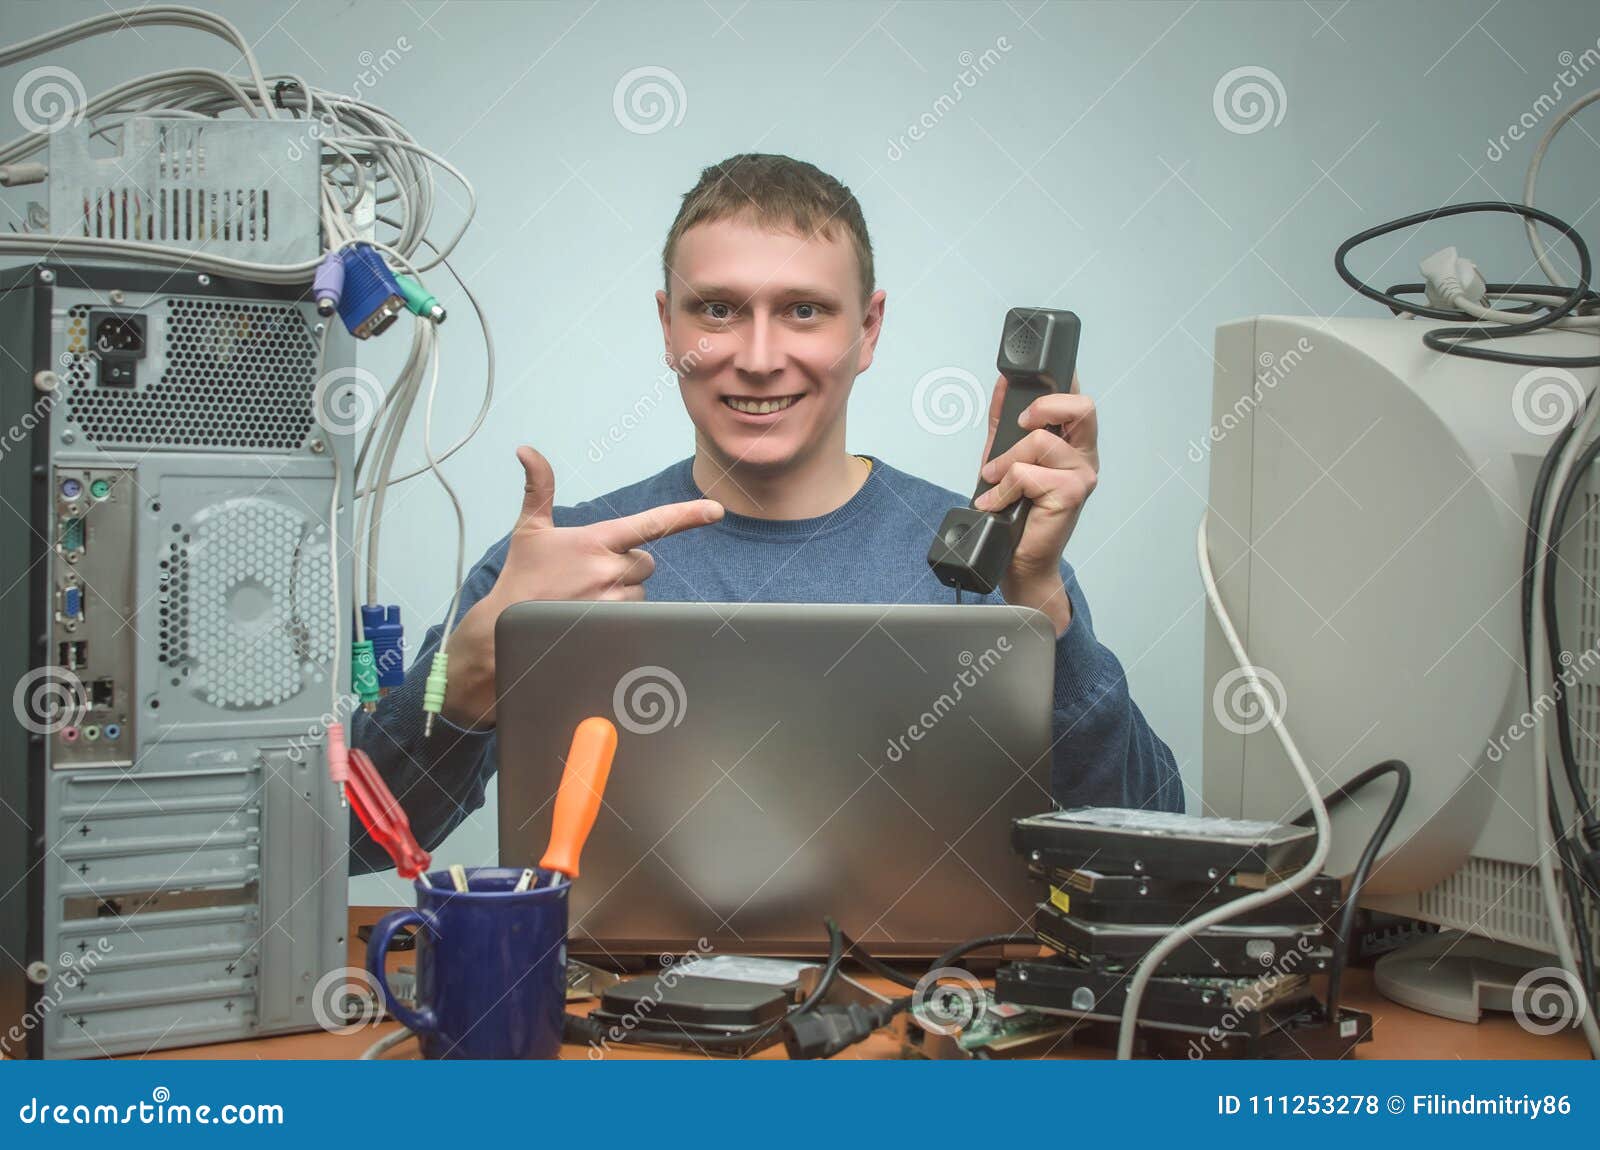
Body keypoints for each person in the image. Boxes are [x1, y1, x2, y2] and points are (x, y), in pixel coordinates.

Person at [349, 153, 1182, 873]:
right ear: (667, 326)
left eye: (803, 310)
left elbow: (1149, 851)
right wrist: (465, 680)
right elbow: (348, 844)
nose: (757, 357)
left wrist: (1041, 603)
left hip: (922, 1004)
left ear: (869, 329)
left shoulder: (992, 562)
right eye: (717, 309)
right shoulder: (560, 563)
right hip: (608, 1009)